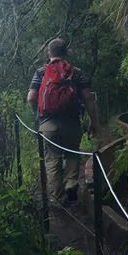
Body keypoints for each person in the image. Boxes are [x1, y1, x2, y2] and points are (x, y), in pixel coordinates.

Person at [26, 38, 98, 206]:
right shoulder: (76, 72)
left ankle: (57, 198)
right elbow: (88, 97)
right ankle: (71, 186)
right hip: (72, 122)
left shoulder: (41, 72)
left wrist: (38, 114)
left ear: (49, 53)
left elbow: (31, 97)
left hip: (48, 124)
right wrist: (94, 122)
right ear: (65, 52)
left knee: (52, 160)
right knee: (73, 153)